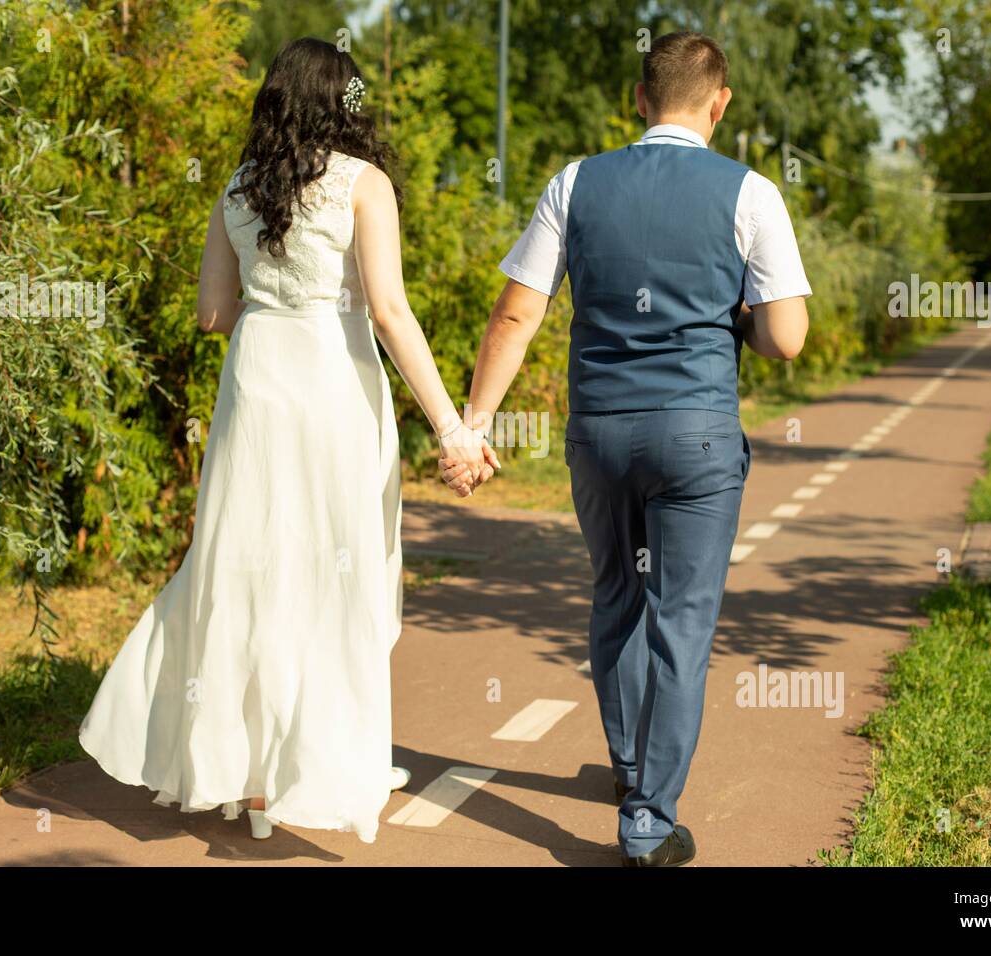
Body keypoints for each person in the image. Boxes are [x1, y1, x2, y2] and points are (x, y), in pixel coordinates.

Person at [79, 37, 494, 844]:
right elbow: (389, 313)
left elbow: (211, 315)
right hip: (333, 385)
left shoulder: (236, 189)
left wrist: (268, 306)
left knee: (244, 563)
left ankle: (250, 777)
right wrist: (451, 427)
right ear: (346, 104)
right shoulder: (362, 184)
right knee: (337, 565)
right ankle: (333, 765)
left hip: (256, 380)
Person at [444, 31, 811, 866]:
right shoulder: (751, 194)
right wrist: (730, 316)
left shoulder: (574, 183)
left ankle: (629, 763)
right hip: (697, 437)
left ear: (638, 99)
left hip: (600, 433)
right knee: (681, 621)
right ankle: (648, 818)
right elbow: (786, 338)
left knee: (617, 596)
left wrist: (474, 423)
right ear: (720, 105)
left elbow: (517, 314)